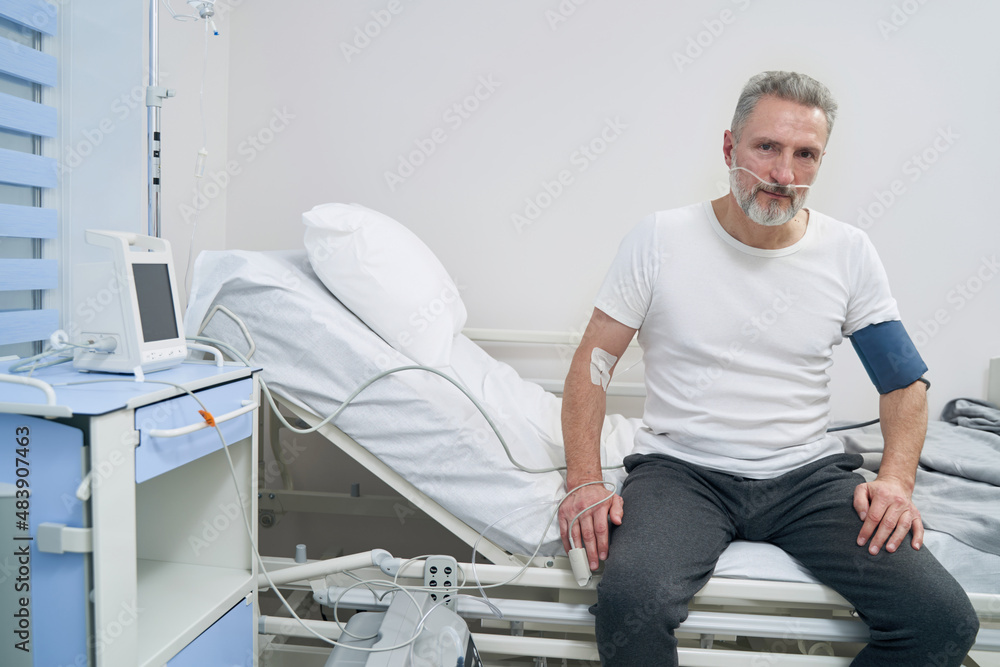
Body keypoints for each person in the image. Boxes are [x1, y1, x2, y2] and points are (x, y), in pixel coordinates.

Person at [558, 71, 979, 666]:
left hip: (805, 479)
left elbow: (903, 382)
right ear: (729, 147)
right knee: (631, 603)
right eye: (767, 147)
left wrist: (895, 481)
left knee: (941, 620)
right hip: (682, 473)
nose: (784, 173)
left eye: (805, 154)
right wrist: (583, 480)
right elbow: (592, 363)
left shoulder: (848, 251)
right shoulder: (659, 239)